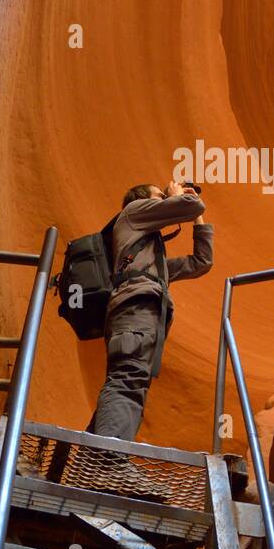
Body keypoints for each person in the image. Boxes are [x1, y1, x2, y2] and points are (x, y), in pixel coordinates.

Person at [92, 181, 213, 441]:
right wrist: (179, 196)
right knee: (129, 379)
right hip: (136, 306)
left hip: (144, 312)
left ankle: (92, 460)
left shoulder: (151, 260)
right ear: (143, 199)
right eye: (160, 195)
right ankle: (107, 457)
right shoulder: (134, 211)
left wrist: (196, 215)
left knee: (132, 381)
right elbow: (191, 206)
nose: (165, 198)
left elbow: (202, 262)